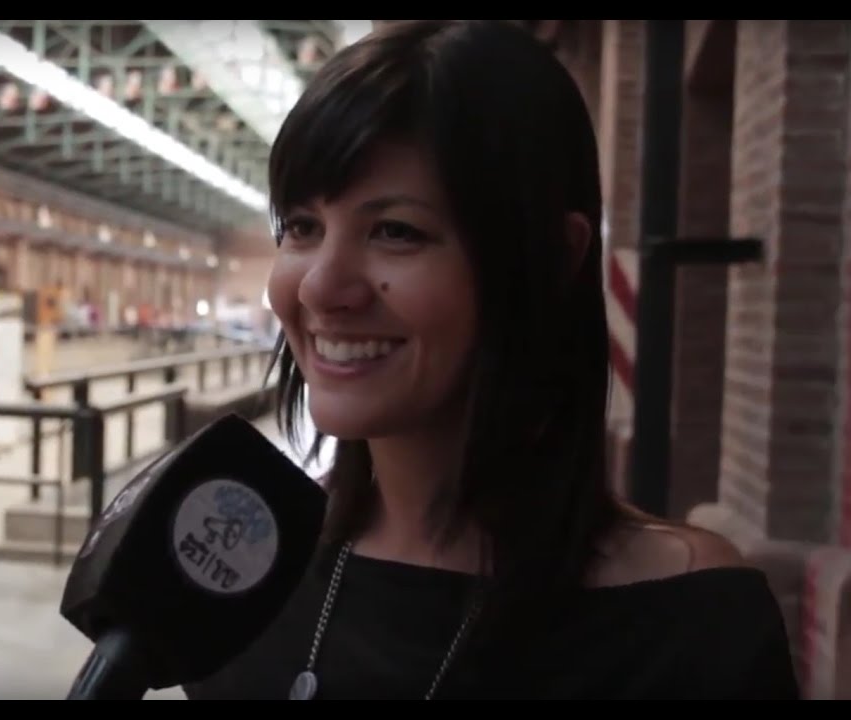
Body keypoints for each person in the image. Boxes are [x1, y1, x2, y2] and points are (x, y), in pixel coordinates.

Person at [182, 20, 799, 700]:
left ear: (549, 257)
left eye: (396, 231)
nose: (321, 287)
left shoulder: (691, 629)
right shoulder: (239, 574)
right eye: (301, 227)